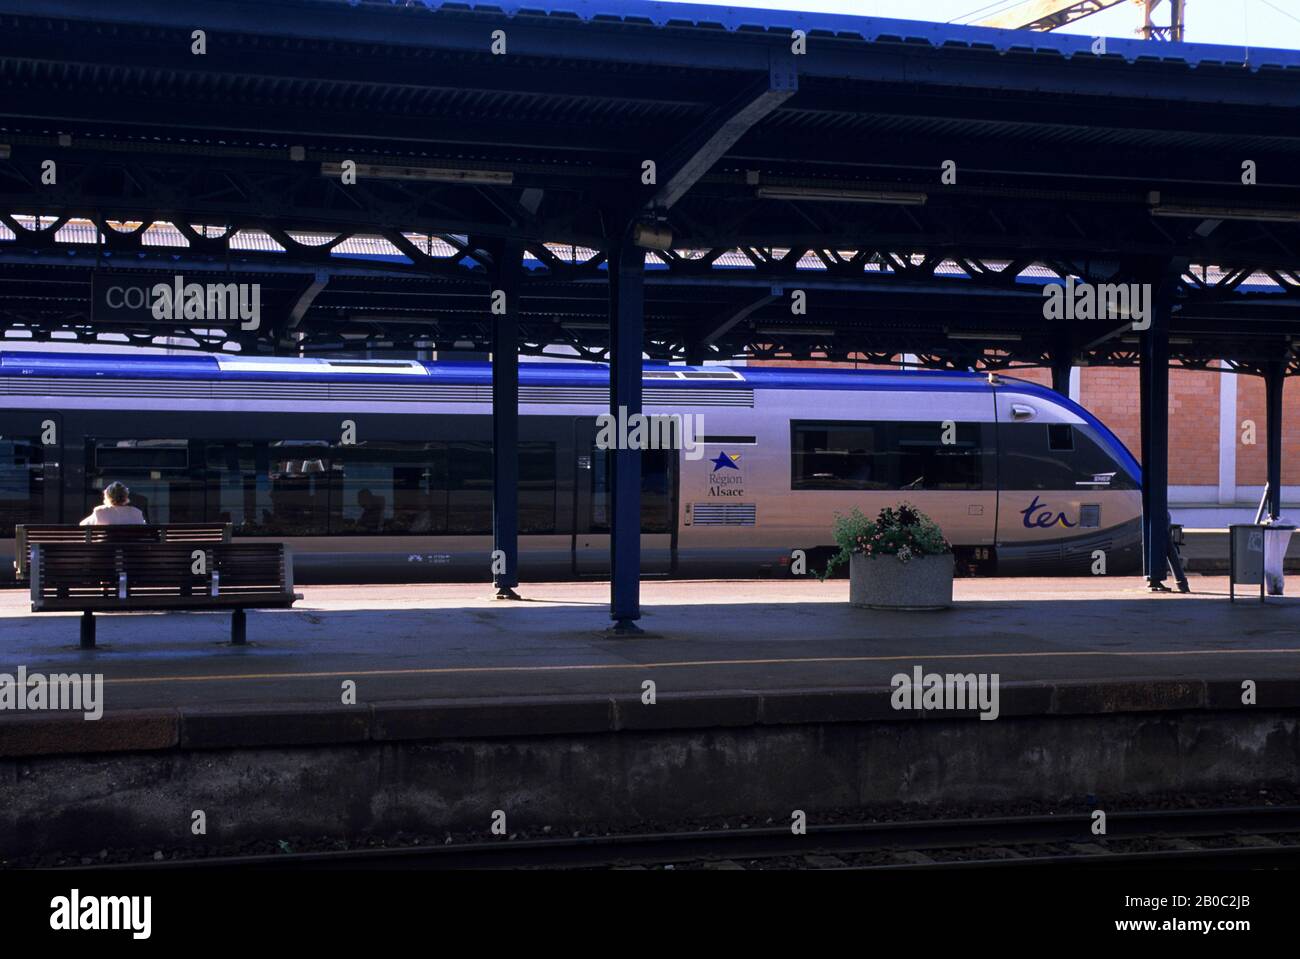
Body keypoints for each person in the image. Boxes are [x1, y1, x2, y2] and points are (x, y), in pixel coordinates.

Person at [80, 482, 146, 526]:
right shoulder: (136, 512)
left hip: (105, 547)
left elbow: (82, 524)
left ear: (107, 496)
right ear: (126, 496)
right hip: (131, 547)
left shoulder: (99, 511)